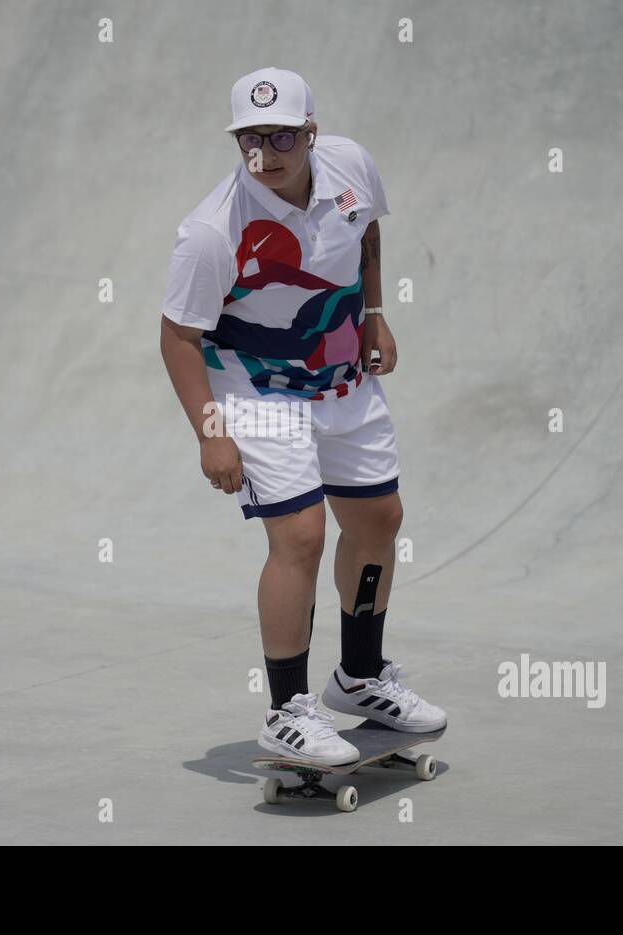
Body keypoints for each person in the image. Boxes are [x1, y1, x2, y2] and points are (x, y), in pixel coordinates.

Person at [160, 67, 446, 767]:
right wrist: (211, 432)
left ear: (311, 132)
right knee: (301, 536)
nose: (267, 152)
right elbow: (178, 338)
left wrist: (375, 316)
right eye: (251, 139)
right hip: (257, 393)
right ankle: (287, 710)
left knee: (380, 520)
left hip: (343, 382)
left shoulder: (350, 166)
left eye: (282, 133)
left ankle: (360, 676)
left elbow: (366, 231)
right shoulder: (210, 233)